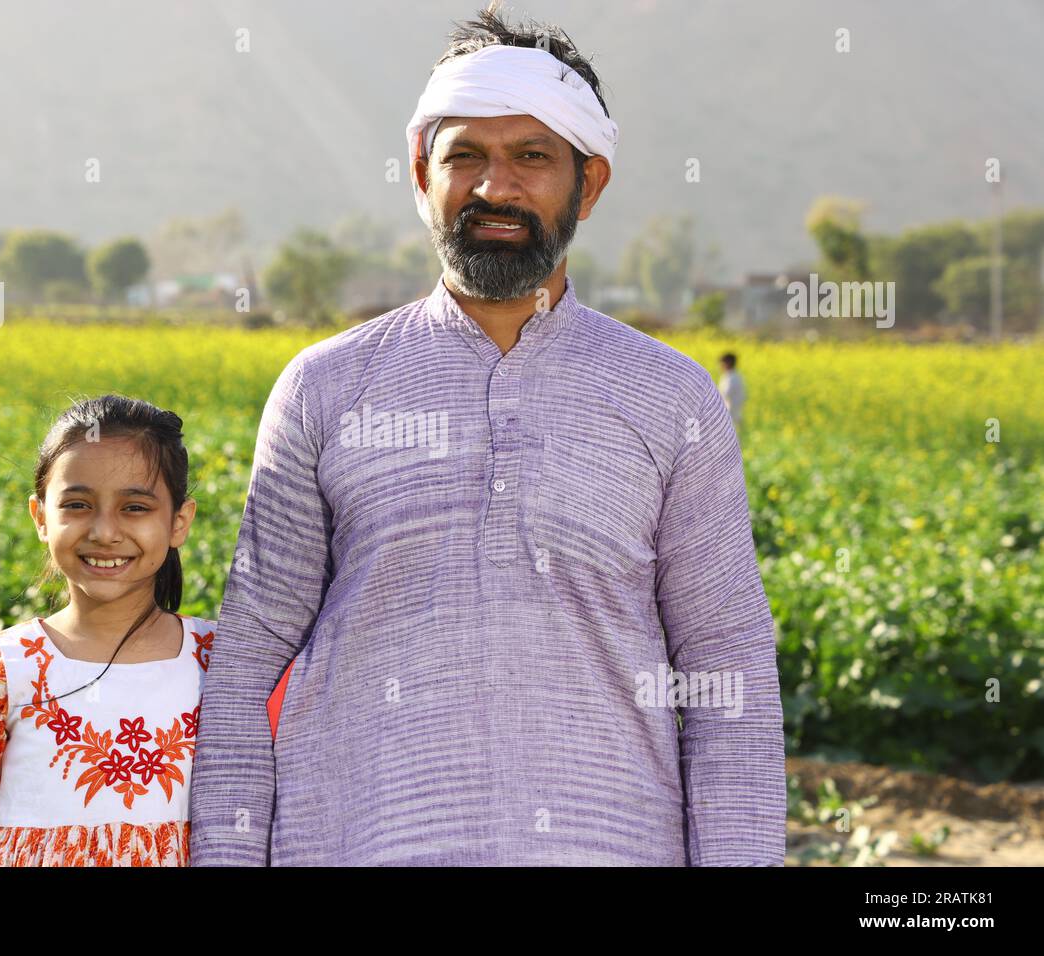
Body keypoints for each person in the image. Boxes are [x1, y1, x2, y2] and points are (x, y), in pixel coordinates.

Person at [190, 6, 784, 866]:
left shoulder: (673, 399)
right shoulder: (323, 387)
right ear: (420, 172)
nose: (494, 187)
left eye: (532, 157)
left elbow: (724, 667)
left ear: (590, 183)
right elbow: (247, 663)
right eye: (465, 154)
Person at [0, 394, 215, 866]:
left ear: (179, 521)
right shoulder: (5, 667)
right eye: (78, 504)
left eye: (135, 508)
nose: (104, 532)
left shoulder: (218, 661)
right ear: (41, 518)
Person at [719, 352, 747, 428]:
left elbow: (725, 394)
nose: (720, 366)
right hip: (735, 413)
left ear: (727, 363)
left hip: (730, 414)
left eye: (722, 363)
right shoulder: (737, 376)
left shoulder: (731, 378)